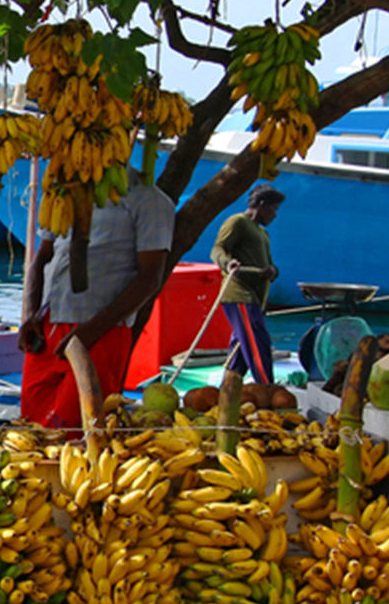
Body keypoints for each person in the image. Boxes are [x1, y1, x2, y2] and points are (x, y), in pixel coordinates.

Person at [18, 179, 176, 429]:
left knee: (81, 428)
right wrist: (30, 314)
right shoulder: (63, 193)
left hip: (100, 332)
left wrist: (93, 330)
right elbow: (42, 258)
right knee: (30, 426)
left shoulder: (148, 200)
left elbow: (150, 279)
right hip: (46, 327)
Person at [211, 184, 284, 386]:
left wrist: (272, 271)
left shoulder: (263, 233)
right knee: (258, 342)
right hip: (240, 295)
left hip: (256, 298)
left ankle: (228, 388)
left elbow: (270, 264)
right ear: (261, 205)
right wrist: (228, 263)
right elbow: (218, 249)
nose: (275, 215)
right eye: (274, 209)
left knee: (241, 350)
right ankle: (267, 387)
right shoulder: (238, 222)